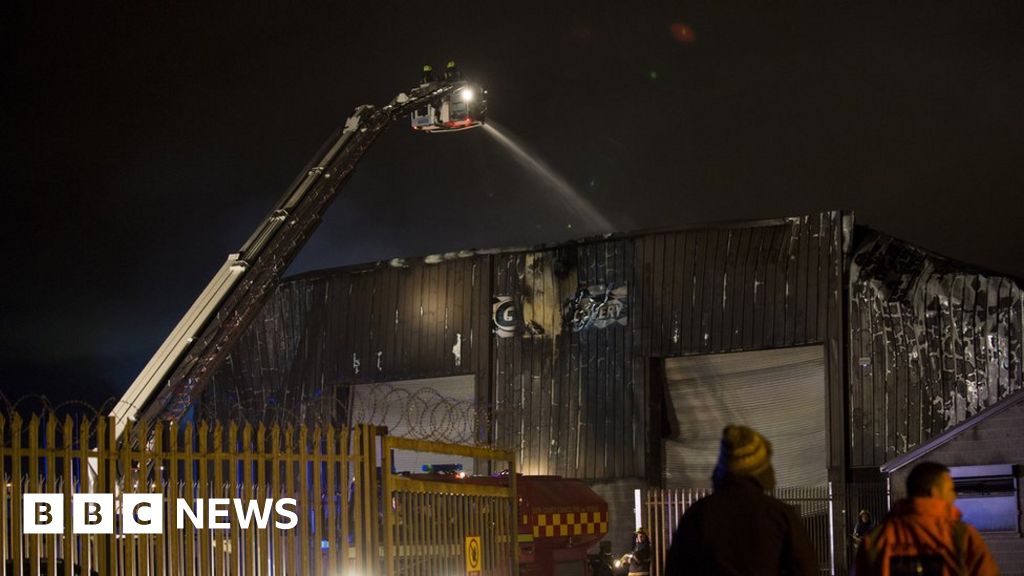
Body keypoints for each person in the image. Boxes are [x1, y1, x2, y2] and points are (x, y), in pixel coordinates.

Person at [663, 425, 817, 575]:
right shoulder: (779, 515)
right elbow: (804, 568)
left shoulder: (698, 514)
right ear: (761, 469)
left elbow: (676, 568)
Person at [852, 461, 999, 576]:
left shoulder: (876, 540)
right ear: (934, 492)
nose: (954, 495)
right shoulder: (963, 537)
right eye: (950, 489)